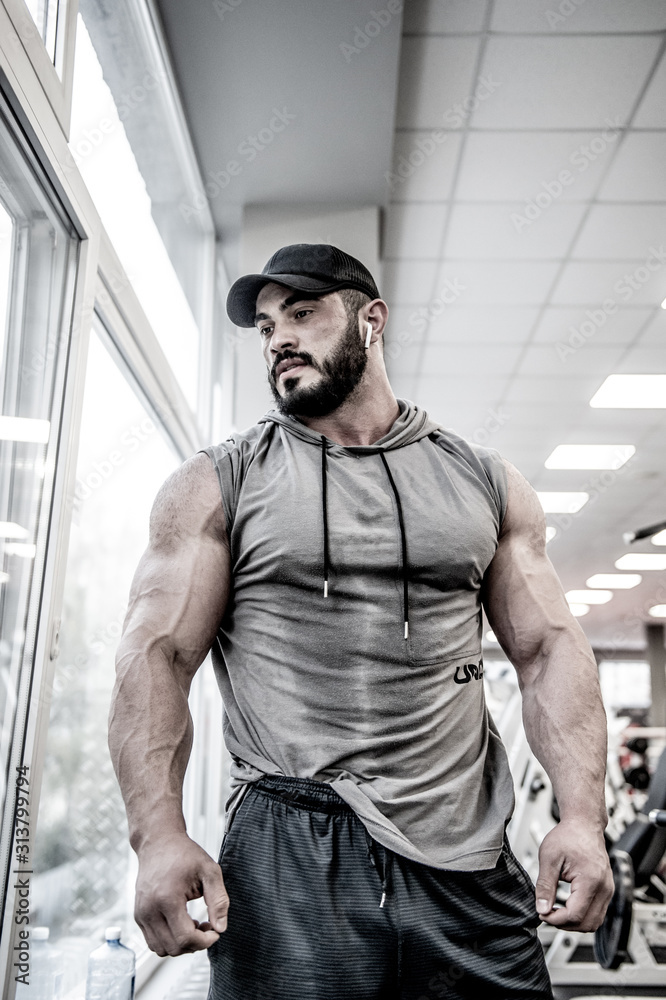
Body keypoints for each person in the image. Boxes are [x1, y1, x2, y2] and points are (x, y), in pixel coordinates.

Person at [109, 243, 613, 999]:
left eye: (303, 313)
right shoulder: (218, 483)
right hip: (292, 846)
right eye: (267, 325)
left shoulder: (483, 480)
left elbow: (547, 651)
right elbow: (155, 656)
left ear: (371, 320)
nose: (279, 337)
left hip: (464, 851)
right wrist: (156, 836)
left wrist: (583, 817)